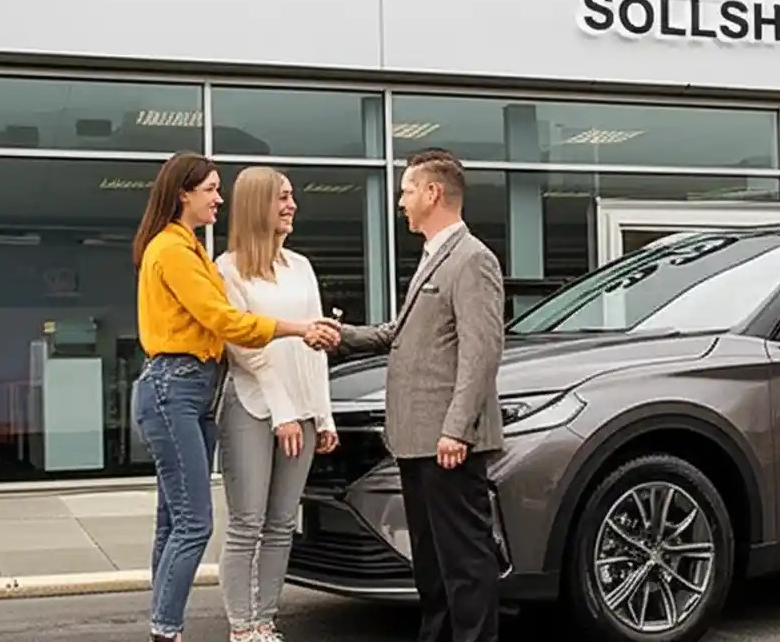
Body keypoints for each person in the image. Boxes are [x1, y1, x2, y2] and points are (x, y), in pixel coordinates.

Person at [131, 152, 340, 642]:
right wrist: (298, 329)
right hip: (181, 386)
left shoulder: (193, 250)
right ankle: (174, 629)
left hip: (197, 387)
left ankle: (215, 623)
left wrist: (321, 414)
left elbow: (311, 353)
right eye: (210, 189)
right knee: (195, 524)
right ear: (184, 193)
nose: (218, 198)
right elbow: (228, 326)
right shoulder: (180, 252)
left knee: (177, 520)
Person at [338, 147, 506, 642]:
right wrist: (342, 336)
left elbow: (481, 354)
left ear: (433, 193)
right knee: (431, 565)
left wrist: (457, 429)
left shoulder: (472, 260)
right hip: (415, 440)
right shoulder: (435, 257)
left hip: (446, 443)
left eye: (407, 191)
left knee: (465, 561)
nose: (401, 202)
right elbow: (402, 333)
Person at [213, 166, 340, 642]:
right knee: (247, 522)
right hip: (252, 406)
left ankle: (266, 620)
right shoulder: (227, 269)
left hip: (303, 412)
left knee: (282, 523)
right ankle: (241, 627)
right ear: (256, 205)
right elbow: (246, 351)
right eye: (282, 198)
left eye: (292, 198)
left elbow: (315, 346)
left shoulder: (301, 266)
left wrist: (321, 414)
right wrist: (283, 411)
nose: (291, 206)